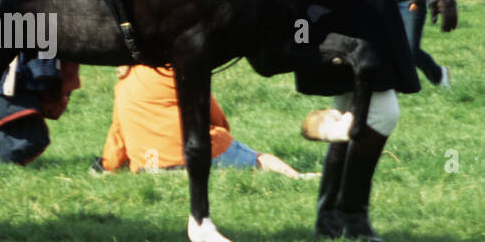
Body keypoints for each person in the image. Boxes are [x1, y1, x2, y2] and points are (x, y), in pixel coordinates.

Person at [291, 0, 458, 242]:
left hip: (377, 17)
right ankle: (351, 216)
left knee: (354, 113)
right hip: (329, 17)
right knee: (382, 112)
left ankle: (333, 219)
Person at [92, 65, 317, 179]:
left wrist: (109, 166)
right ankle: (296, 178)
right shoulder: (179, 70)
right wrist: (220, 132)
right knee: (261, 159)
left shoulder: (123, 83)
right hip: (197, 154)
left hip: (149, 167)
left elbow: (117, 133)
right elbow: (214, 117)